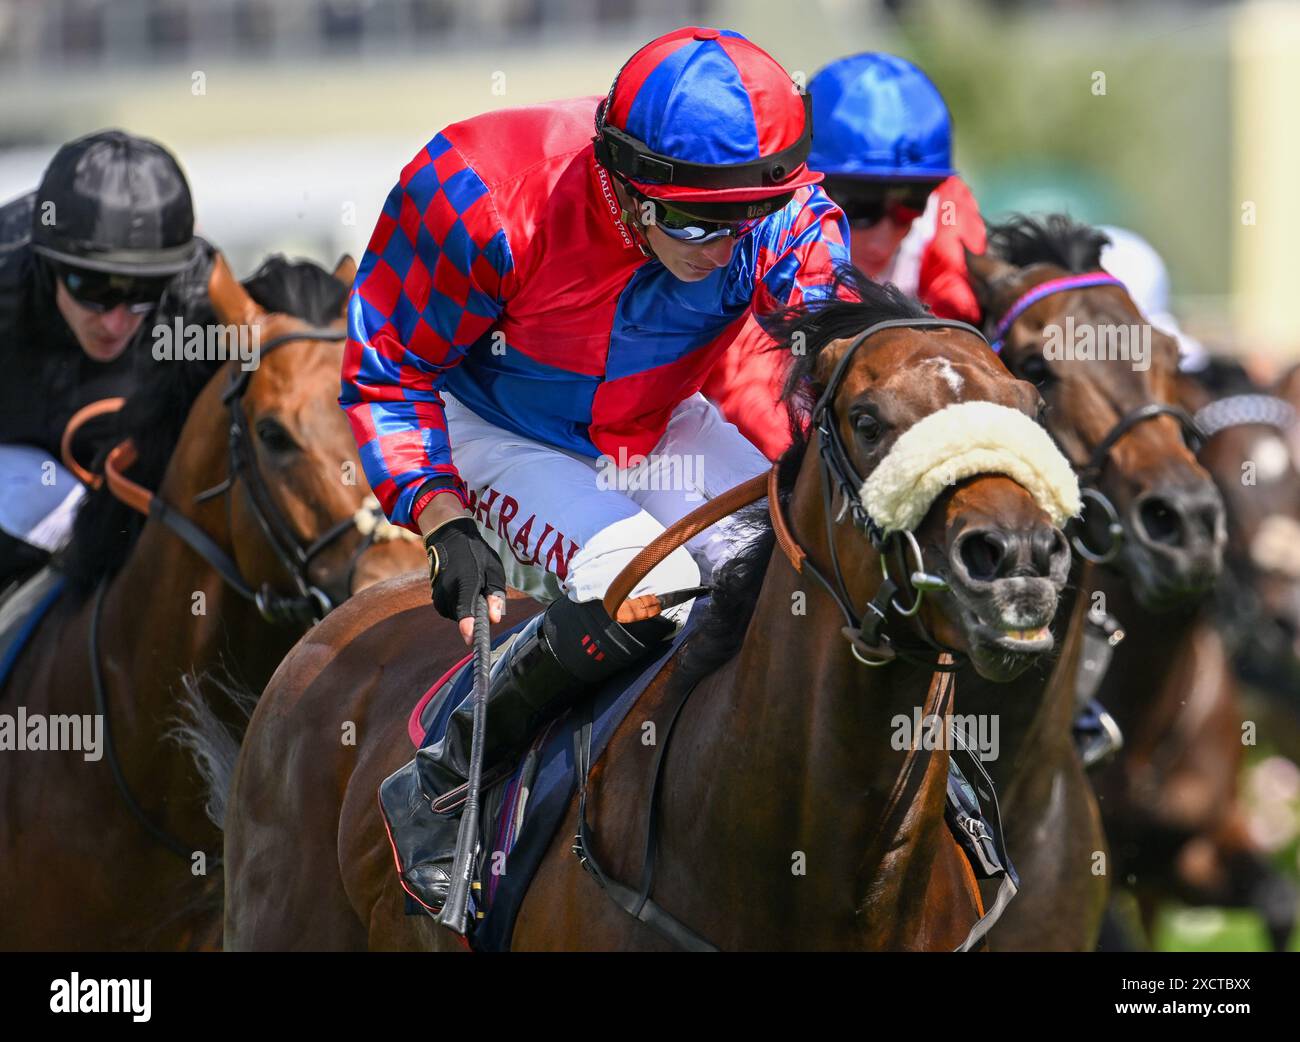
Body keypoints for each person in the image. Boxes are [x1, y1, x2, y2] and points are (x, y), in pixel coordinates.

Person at [346, 26, 849, 911]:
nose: (724, 246)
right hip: (500, 430)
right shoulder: (480, 198)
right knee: (652, 590)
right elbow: (387, 363)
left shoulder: (773, 210)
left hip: (657, 421)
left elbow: (836, 342)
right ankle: (449, 770)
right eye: (696, 220)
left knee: (796, 571)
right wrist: (438, 514)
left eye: (745, 220)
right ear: (622, 182)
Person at [703, 52, 986, 459]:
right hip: (747, 446)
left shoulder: (952, 228)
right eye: (861, 207)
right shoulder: (762, 238)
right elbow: (750, 387)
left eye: (911, 203)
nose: (882, 240)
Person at [0, 129, 213, 588]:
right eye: (92, 290)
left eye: (143, 294)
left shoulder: (200, 306)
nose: (116, 323)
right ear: (49, 264)